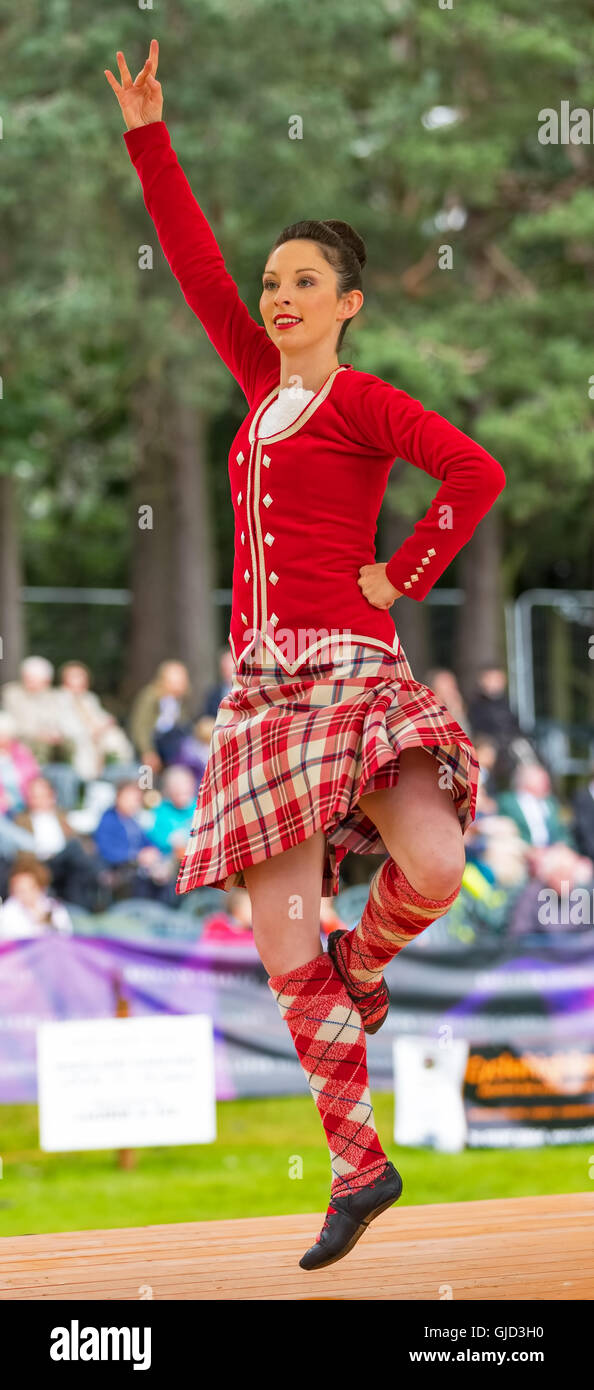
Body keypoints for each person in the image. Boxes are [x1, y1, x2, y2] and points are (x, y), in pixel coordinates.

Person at [107, 39, 506, 1271]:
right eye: (272, 281)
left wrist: (404, 573)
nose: (277, 297)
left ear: (348, 302)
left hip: (353, 673)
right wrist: (148, 139)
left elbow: (473, 472)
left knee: (433, 862)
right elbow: (192, 264)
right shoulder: (254, 378)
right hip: (264, 696)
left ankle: (363, 956)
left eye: (303, 283)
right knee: (284, 946)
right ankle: (358, 1164)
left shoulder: (363, 401)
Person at [14, 775, 102, 910]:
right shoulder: (22, 820)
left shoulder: (61, 817)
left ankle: (80, 910)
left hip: (66, 861)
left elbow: (76, 837)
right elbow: (20, 850)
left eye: (42, 795)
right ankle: (102, 878)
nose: (38, 800)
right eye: (34, 796)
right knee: (75, 849)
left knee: (78, 855)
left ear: (51, 796)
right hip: (42, 862)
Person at [55, 661, 134, 780]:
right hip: (79, 742)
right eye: (75, 676)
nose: (80, 680)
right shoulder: (59, 699)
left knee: (116, 740)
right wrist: (92, 731)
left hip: (99, 739)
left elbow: (102, 717)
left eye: (82, 676)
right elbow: (65, 726)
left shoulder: (89, 698)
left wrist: (105, 723)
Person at [94, 779, 171, 900]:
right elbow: (106, 851)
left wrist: (153, 853)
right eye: (129, 798)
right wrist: (137, 856)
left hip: (139, 868)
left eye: (136, 800)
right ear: (118, 798)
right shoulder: (108, 820)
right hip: (119, 871)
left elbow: (147, 842)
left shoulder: (133, 822)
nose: (133, 803)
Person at [1, 656, 71, 764]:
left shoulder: (54, 696)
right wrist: (39, 734)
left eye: (34, 679)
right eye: (28, 678)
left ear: (47, 680)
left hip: (52, 741)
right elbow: (14, 723)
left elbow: (59, 719)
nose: (30, 682)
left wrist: (55, 734)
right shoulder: (12, 693)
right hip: (23, 739)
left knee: (69, 744)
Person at [129, 660, 194, 771]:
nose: (179, 685)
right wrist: (147, 751)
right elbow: (140, 726)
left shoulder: (181, 701)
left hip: (173, 749)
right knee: (147, 777)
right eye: (175, 681)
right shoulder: (151, 696)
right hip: (153, 745)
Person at [497, 763, 573, 849]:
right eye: (543, 780)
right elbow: (507, 832)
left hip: (553, 851)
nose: (548, 783)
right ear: (527, 781)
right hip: (523, 850)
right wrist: (529, 849)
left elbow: (562, 831)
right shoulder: (508, 802)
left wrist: (562, 846)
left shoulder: (550, 802)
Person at [0, 853, 73, 940]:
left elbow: (66, 934)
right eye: (19, 890)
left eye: (29, 889)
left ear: (40, 887)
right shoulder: (8, 913)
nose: (25, 895)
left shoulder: (53, 907)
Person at [147, 764, 197, 856]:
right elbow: (156, 839)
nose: (180, 791)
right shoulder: (160, 811)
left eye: (184, 792)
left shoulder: (201, 807)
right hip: (171, 859)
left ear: (192, 787)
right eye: (177, 792)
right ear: (168, 790)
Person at [0, 712, 40, 815]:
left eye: (5, 734)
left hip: (26, 805)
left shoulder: (22, 752)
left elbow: (34, 778)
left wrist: (32, 799)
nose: (3, 738)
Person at [200, 647, 234, 718]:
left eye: (230, 663)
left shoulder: (248, 692)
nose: (227, 667)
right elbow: (205, 716)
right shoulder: (213, 694)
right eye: (225, 665)